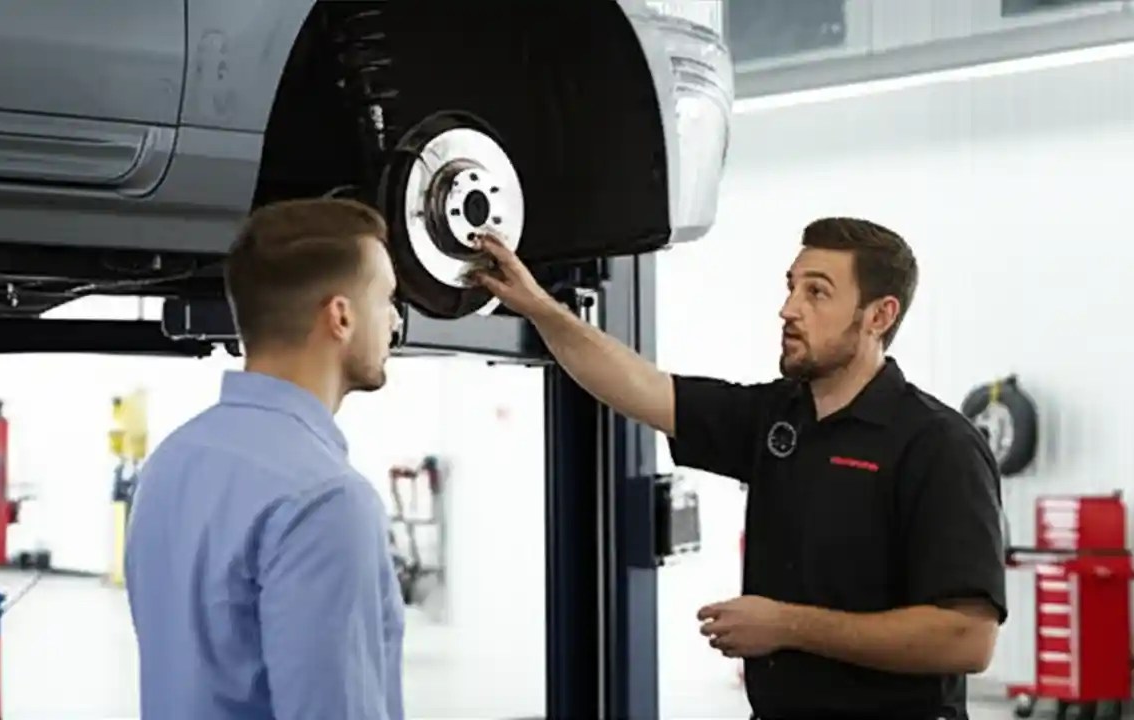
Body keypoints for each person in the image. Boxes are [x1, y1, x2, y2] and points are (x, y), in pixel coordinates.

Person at [468, 218, 1006, 720]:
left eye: (816, 292)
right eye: (791, 286)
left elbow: (965, 638)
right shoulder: (777, 418)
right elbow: (641, 387)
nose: (788, 309)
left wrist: (786, 625)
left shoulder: (938, 446)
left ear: (879, 316)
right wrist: (540, 307)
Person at [125, 198, 406, 720]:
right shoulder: (328, 500)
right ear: (340, 316)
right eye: (387, 298)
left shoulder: (172, 461)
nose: (393, 319)